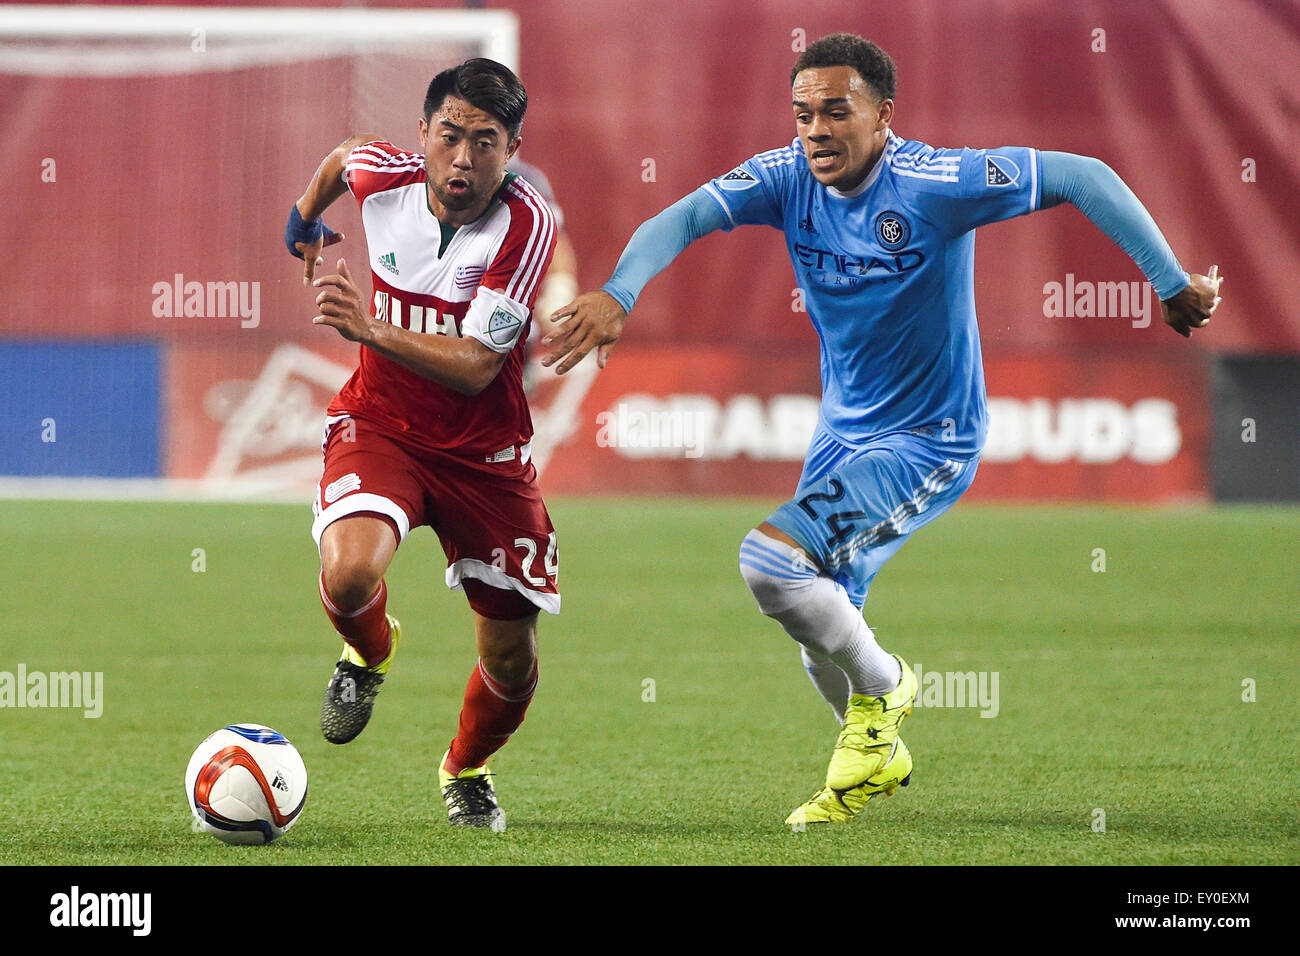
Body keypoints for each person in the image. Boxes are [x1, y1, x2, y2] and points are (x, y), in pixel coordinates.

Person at [543, 33, 1222, 826]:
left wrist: (1169, 283)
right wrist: (620, 293)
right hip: (842, 435)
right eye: (803, 115)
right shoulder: (786, 177)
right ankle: (871, 755)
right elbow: (685, 216)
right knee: (815, 622)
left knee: (770, 562)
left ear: (883, 114)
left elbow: (1082, 174)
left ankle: (889, 690)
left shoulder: (935, 182)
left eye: (838, 111)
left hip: (928, 438)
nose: (817, 131)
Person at [285, 57, 559, 831]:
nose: (464, 159)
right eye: (450, 137)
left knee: (510, 656)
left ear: (511, 149)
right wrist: (303, 216)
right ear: (424, 134)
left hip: (484, 455)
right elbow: (344, 157)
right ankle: (369, 655)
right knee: (347, 574)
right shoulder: (386, 174)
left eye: (486, 141)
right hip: (382, 424)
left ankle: (465, 767)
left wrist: (368, 326)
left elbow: (477, 368)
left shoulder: (526, 223)